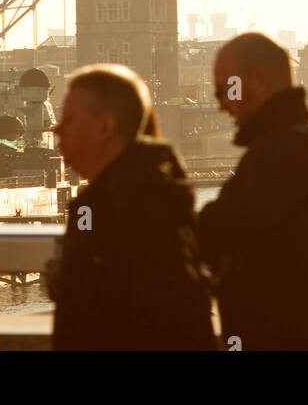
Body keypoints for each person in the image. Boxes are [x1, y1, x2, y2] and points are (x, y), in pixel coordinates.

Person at [196, 32, 308, 350]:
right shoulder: (307, 139)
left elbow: (220, 230)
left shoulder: (282, 152)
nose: (220, 105)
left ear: (259, 80)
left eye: (225, 90)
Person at [50, 63, 216, 351]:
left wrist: (66, 281)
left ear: (105, 125)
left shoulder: (133, 210)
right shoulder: (148, 196)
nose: (56, 129)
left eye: (70, 120)